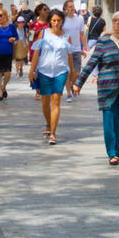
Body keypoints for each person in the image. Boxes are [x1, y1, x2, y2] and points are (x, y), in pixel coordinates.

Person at [73, 11, 119, 166]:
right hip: (107, 86)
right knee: (109, 118)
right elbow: (91, 63)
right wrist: (79, 82)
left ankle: (116, 143)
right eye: (115, 20)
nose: (117, 23)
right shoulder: (104, 41)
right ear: (111, 22)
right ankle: (112, 152)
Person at [29, 8, 76, 143]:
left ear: (62, 22)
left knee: (56, 100)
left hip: (60, 72)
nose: (56, 23)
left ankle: (53, 134)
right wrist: (32, 71)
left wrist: (72, 72)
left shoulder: (66, 37)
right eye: (54, 20)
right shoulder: (43, 34)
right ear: (50, 21)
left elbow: (69, 56)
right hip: (44, 71)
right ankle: (48, 124)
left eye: (58, 21)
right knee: (45, 103)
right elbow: (36, 53)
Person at [62, 0, 86, 101]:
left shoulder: (80, 18)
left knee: (76, 73)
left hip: (76, 49)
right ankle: (68, 94)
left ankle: (72, 84)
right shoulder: (62, 20)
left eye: (73, 6)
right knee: (67, 72)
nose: (72, 8)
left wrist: (85, 46)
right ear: (66, 8)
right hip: (65, 49)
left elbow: (82, 33)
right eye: (70, 6)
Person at [12, 13, 30, 78]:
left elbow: (27, 37)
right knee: (17, 60)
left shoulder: (25, 29)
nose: (21, 24)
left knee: (22, 60)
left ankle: (21, 68)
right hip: (16, 45)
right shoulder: (15, 29)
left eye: (22, 22)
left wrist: (28, 36)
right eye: (19, 22)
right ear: (17, 23)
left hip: (23, 45)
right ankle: (17, 72)